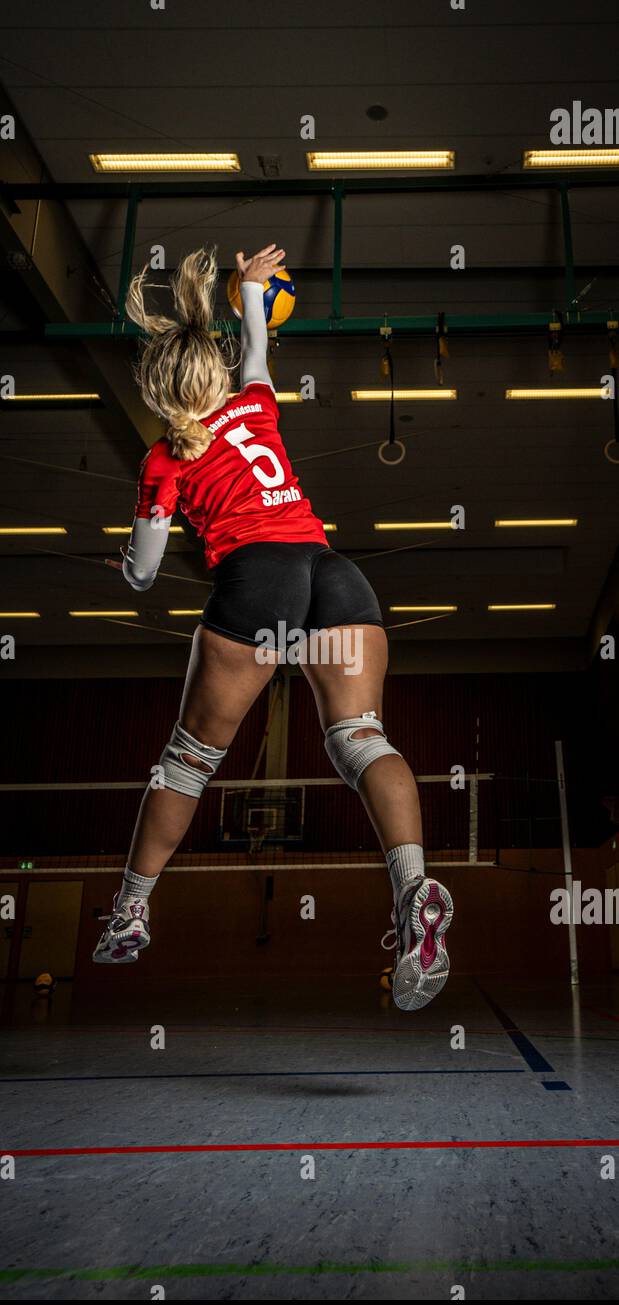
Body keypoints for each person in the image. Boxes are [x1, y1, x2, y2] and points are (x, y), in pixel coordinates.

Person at [93, 244, 453, 1011]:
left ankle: (129, 910)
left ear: (160, 393)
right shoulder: (255, 405)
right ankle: (414, 889)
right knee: (362, 738)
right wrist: (251, 288)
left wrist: (124, 564)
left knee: (187, 762)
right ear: (215, 377)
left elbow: (145, 572)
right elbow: (255, 346)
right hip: (332, 572)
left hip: (259, 581)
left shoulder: (165, 459)